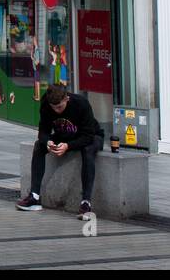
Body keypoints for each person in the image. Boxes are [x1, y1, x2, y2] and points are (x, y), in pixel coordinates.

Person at [16, 83, 104, 220]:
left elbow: (88, 136)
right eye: (54, 108)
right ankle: (34, 197)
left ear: (66, 99)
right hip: (64, 135)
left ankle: (86, 203)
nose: (57, 111)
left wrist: (68, 146)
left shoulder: (81, 104)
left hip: (91, 136)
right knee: (39, 146)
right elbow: (43, 131)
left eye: (60, 107)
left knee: (88, 150)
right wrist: (48, 142)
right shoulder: (46, 103)